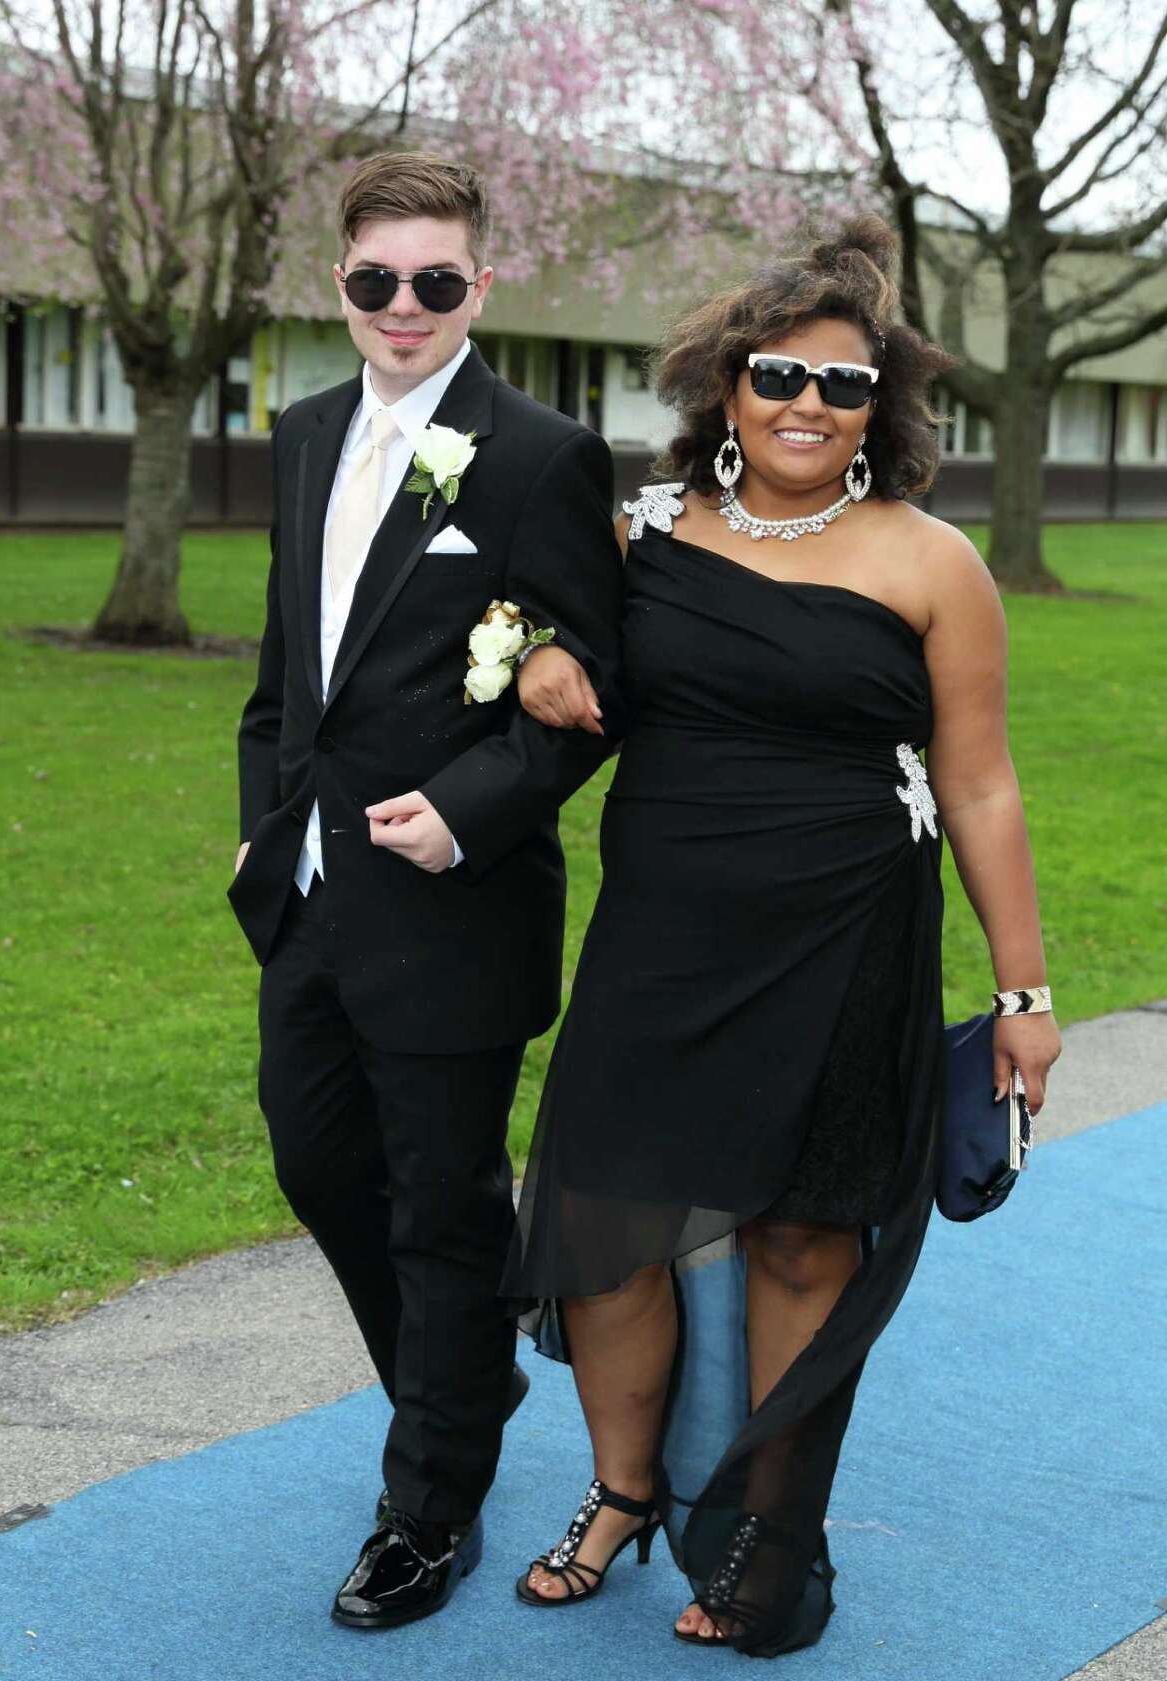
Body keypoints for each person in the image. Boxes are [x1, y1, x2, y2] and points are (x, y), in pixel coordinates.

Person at [503, 215, 1061, 1654]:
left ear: (883, 408)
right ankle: (627, 1489)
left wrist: (1025, 988)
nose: (808, 405)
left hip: (846, 932)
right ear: (724, 389)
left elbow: (982, 778)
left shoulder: (933, 561)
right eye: (778, 376)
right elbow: (534, 625)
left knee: (810, 1237)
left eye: (843, 385)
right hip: (663, 935)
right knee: (604, 1226)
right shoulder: (639, 535)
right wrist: (553, 645)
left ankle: (770, 1536)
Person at [229, 151, 622, 1630]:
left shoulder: (536, 454)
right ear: (341, 282)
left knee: (442, 1213)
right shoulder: (303, 432)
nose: (406, 305)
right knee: (318, 1164)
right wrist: (265, 825)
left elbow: (592, 690)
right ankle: (464, 1383)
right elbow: (287, 675)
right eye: (378, 279)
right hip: (312, 897)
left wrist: (465, 813)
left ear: (481, 285)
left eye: (437, 281)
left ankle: (430, 1501)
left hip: (455, 907)